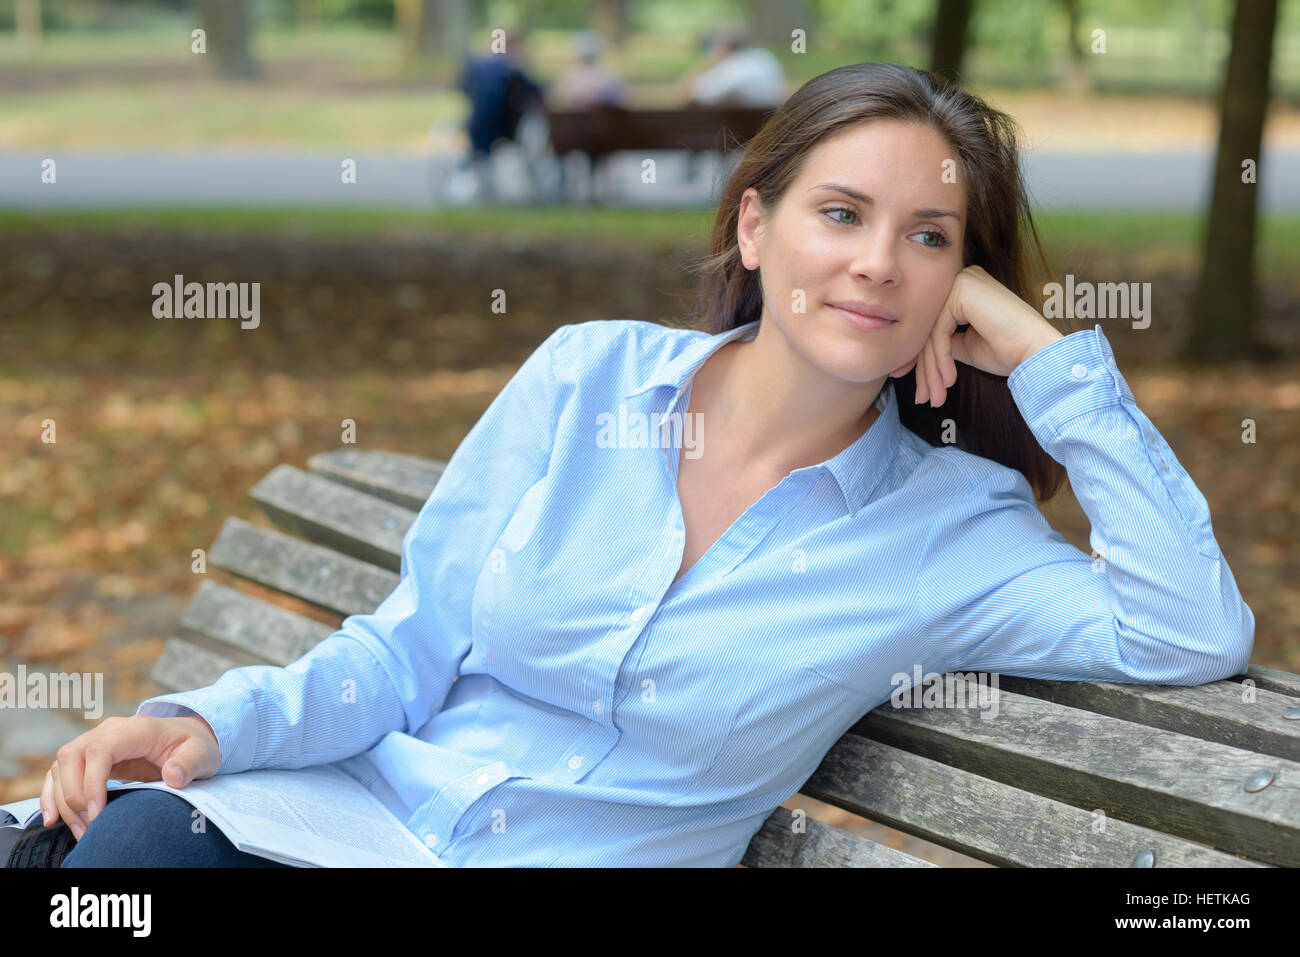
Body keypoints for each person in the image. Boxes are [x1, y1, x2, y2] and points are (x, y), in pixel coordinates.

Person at [28, 62, 1254, 868]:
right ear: (754, 224)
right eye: (841, 214)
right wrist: (206, 726)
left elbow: (1186, 630)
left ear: (959, 287)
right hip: (340, 828)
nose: (879, 263)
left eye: (928, 239)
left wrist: (1047, 359)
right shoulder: (588, 378)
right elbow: (406, 645)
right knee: (124, 869)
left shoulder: (954, 530)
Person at [444, 28, 545, 204]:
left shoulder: (477, 67)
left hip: (475, 125)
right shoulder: (513, 69)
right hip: (505, 127)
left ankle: (472, 176)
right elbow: (536, 93)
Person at [679, 27, 787, 108]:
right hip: (766, 128)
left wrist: (705, 63)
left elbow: (689, 95)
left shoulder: (730, 70)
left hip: (732, 133)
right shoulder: (765, 57)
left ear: (726, 48)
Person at [550, 30, 626, 109]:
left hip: (575, 120)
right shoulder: (608, 74)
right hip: (602, 119)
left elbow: (558, 100)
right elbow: (618, 99)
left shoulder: (568, 76)